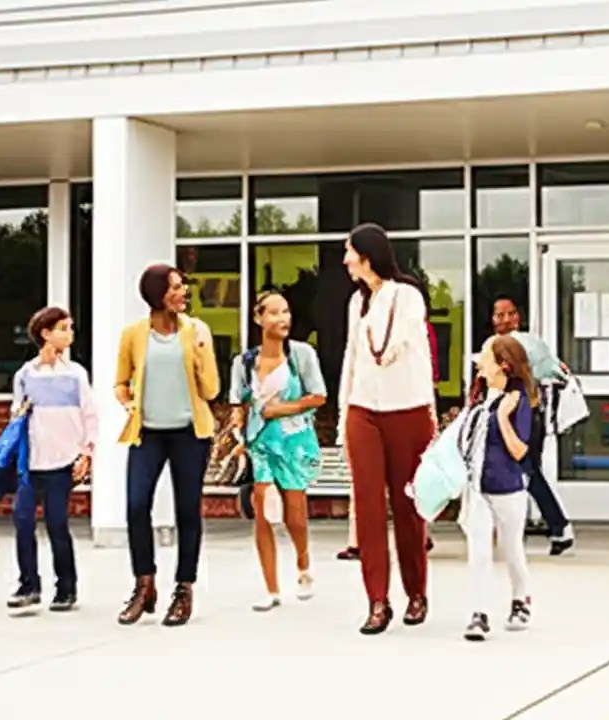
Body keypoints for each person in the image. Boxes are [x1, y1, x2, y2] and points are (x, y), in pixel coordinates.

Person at [337, 223, 437, 635]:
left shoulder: (407, 295)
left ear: (368, 256)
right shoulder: (355, 303)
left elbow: (391, 346)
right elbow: (353, 358)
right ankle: (377, 600)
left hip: (406, 409)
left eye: (349, 252)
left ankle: (417, 591)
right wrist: (345, 416)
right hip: (364, 410)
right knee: (368, 509)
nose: (344, 260)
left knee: (408, 504)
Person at [114, 263, 219, 627]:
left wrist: (202, 354)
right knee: (135, 505)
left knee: (188, 511)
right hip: (148, 434)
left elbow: (212, 390)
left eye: (182, 286)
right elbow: (120, 382)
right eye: (174, 287)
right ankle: (145, 585)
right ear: (157, 294)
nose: (182, 292)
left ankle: (183, 590)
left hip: (189, 434)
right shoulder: (133, 334)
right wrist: (127, 402)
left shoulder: (197, 330)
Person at [231, 292, 327, 612]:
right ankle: (271, 588)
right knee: (262, 513)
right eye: (274, 313)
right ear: (258, 318)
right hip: (260, 444)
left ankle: (303, 563)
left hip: (294, 442)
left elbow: (318, 396)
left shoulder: (301, 355)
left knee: (294, 513)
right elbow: (239, 405)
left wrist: (283, 408)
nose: (283, 318)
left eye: (286, 311)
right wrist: (236, 432)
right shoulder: (244, 363)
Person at [6, 307, 96, 613]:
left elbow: (90, 415)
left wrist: (87, 453)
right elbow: (15, 417)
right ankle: (28, 584)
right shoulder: (25, 376)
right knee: (22, 519)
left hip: (63, 463)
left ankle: (66, 587)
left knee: (57, 523)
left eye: (71, 328)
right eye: (63, 328)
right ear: (45, 334)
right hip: (30, 465)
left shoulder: (75, 375)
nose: (69, 333)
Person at [480, 295, 576, 556]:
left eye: (510, 313)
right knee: (527, 472)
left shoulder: (525, 344)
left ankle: (556, 527)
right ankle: (556, 528)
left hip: (524, 413)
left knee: (526, 472)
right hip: (522, 412)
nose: (505, 319)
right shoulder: (502, 344)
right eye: (499, 315)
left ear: (518, 317)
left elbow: (557, 371)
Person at [459, 335, 537, 641]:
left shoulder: (518, 401)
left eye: (485, 356)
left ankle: (521, 598)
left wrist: (503, 418)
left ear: (503, 364)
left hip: (508, 488)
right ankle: (479, 613)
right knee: (478, 552)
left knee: (511, 549)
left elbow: (519, 451)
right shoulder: (481, 397)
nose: (479, 361)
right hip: (478, 486)